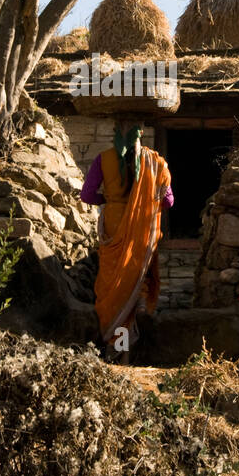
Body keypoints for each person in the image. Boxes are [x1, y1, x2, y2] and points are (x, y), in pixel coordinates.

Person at [80, 122, 173, 361]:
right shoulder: (156, 163)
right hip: (142, 227)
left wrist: (110, 198)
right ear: (142, 133)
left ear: (116, 134)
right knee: (133, 282)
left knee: (112, 286)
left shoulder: (104, 159)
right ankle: (127, 353)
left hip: (113, 222)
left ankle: (112, 345)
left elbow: (86, 194)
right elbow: (169, 201)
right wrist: (142, 203)